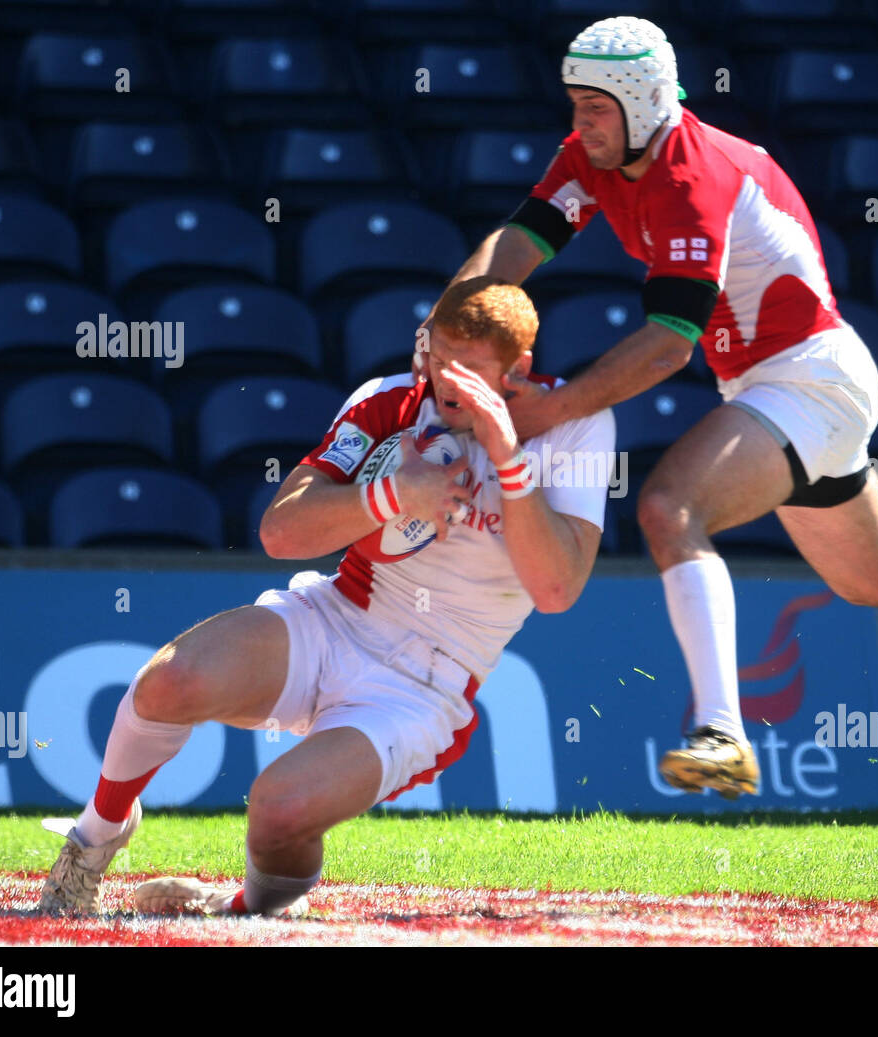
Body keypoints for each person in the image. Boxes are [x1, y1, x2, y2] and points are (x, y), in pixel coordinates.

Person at [417, 16, 878, 800]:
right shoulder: (595, 157)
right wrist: (442, 328)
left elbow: (669, 346)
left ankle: (721, 732)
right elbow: (515, 249)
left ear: (639, 104)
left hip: (808, 379)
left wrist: (539, 416)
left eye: (593, 107)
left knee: (669, 506)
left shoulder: (690, 177)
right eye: (574, 105)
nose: (578, 124)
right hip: (790, 383)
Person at [38, 277, 614, 915]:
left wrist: (507, 457)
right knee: (167, 683)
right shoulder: (392, 400)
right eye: (441, 359)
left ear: (519, 369)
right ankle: (95, 836)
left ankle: (241, 909)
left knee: (278, 809)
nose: (450, 382)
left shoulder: (575, 426)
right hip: (336, 614)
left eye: (473, 369)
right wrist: (393, 494)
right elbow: (280, 531)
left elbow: (557, 587)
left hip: (425, 681)